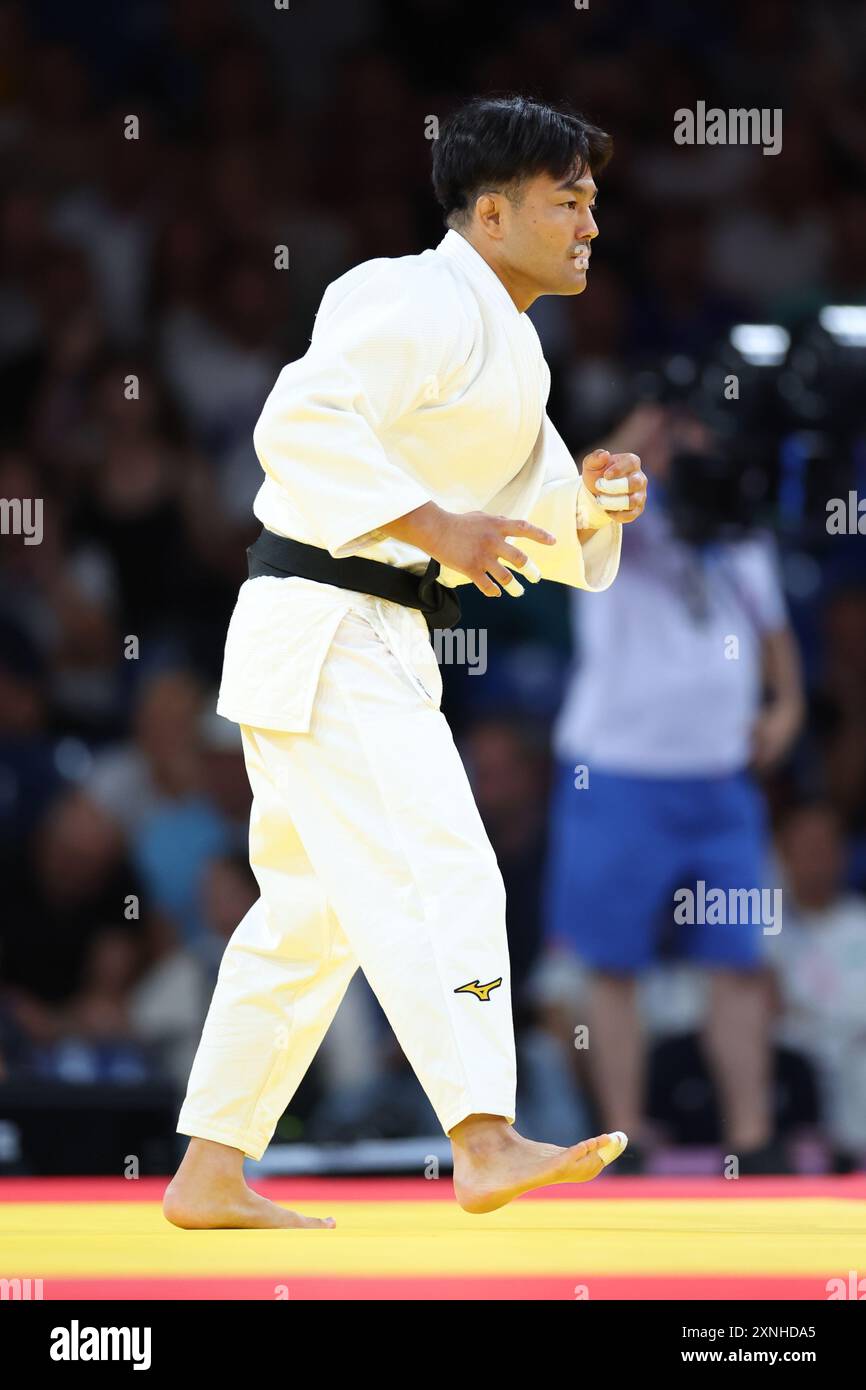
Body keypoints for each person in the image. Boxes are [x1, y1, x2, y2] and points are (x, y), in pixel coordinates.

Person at [163, 95, 648, 1230]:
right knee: (444, 865)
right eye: (566, 203)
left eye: (591, 205)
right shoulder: (406, 294)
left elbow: (533, 522)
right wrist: (435, 527)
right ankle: (479, 1135)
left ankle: (207, 1169)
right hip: (331, 621)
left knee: (310, 919)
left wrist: (592, 501)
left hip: (350, 631)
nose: (589, 226)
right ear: (489, 213)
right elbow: (298, 420)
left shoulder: (508, 347)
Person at [544, 402, 804, 1173]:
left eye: (701, 434)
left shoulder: (735, 527)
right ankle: (624, 1137)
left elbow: (775, 637)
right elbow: (577, 492)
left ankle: (752, 1139)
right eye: (677, 433)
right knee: (613, 964)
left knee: (737, 963)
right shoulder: (610, 519)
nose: (695, 449)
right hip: (619, 775)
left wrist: (786, 706)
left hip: (720, 785)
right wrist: (640, 434)